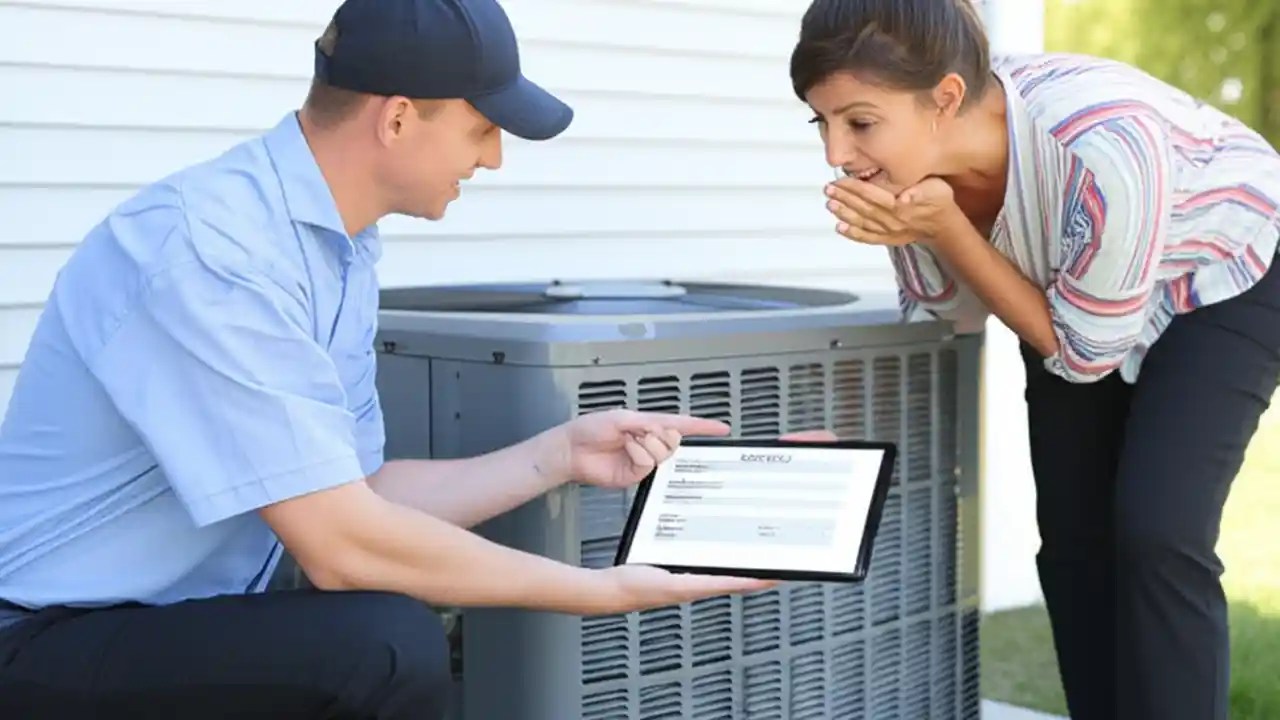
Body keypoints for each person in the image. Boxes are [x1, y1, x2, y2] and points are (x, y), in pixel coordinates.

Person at [0, 1, 787, 718]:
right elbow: (342, 547)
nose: (494, 160)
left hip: (163, 621)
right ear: (400, 119)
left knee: (379, 635)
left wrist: (557, 456)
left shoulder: (335, 250)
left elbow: (363, 496)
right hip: (41, 636)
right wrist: (598, 592)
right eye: (483, 128)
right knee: (383, 646)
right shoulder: (209, 249)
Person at [789, 1, 1280, 720]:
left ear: (945, 99)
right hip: (1073, 293)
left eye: (859, 122)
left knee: (1157, 530)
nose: (836, 153)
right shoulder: (916, 170)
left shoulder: (1102, 144)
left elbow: (1082, 356)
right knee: (1073, 543)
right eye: (821, 123)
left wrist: (949, 228)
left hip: (1226, 265)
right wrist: (918, 225)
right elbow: (951, 309)